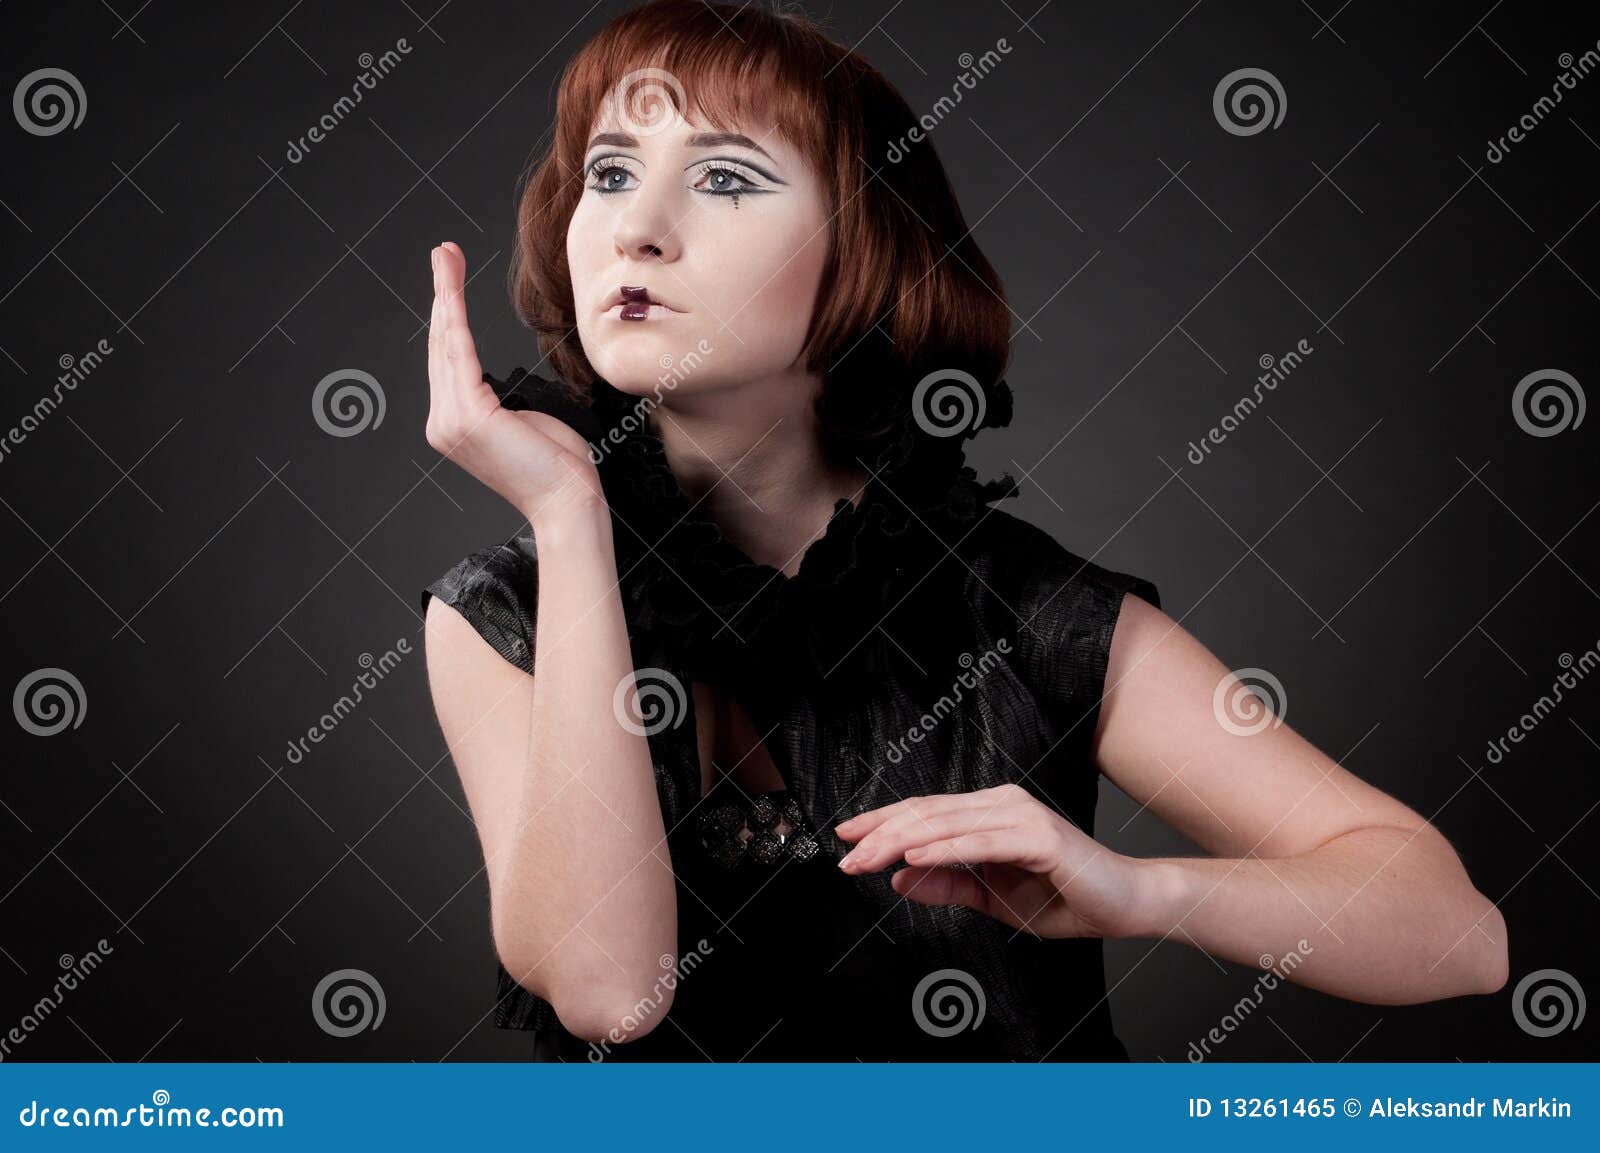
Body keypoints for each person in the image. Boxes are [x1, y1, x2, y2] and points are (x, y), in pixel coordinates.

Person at [419, 0, 1507, 1061]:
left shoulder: (1018, 606)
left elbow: (1459, 936)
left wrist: (1133, 888)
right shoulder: (502, 614)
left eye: (724, 178)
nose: (638, 229)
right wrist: (569, 519)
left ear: (866, 256)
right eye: (609, 173)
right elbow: (610, 993)